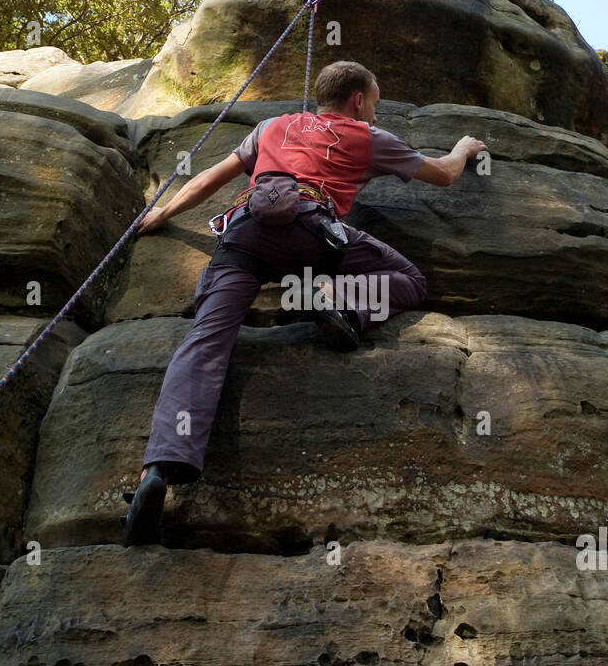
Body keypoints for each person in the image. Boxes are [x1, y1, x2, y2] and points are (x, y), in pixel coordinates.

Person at [122, 60, 487, 546]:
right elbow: (442, 174)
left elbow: (210, 177)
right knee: (408, 278)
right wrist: (462, 147)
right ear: (358, 100)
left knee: (205, 343)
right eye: (374, 103)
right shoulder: (365, 136)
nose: (374, 114)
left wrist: (162, 212)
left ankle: (159, 471)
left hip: (245, 236)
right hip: (313, 238)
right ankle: (340, 302)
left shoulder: (271, 127)